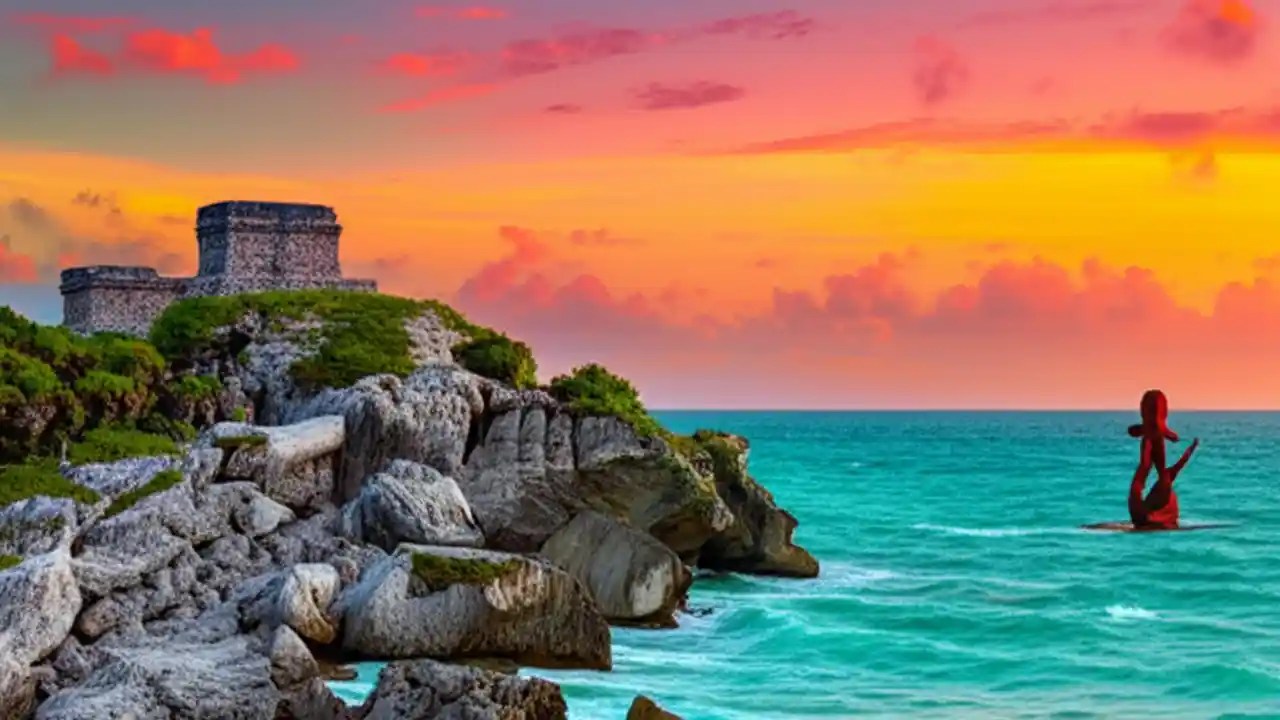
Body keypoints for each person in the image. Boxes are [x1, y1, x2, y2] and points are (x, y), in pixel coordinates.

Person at [1126, 390, 1199, 530]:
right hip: (1149, 508)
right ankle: (1155, 511)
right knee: (1155, 471)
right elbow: (1168, 436)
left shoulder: (1151, 432)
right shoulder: (1154, 431)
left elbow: (1135, 432)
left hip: (1145, 510)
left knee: (1149, 469)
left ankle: (1155, 511)